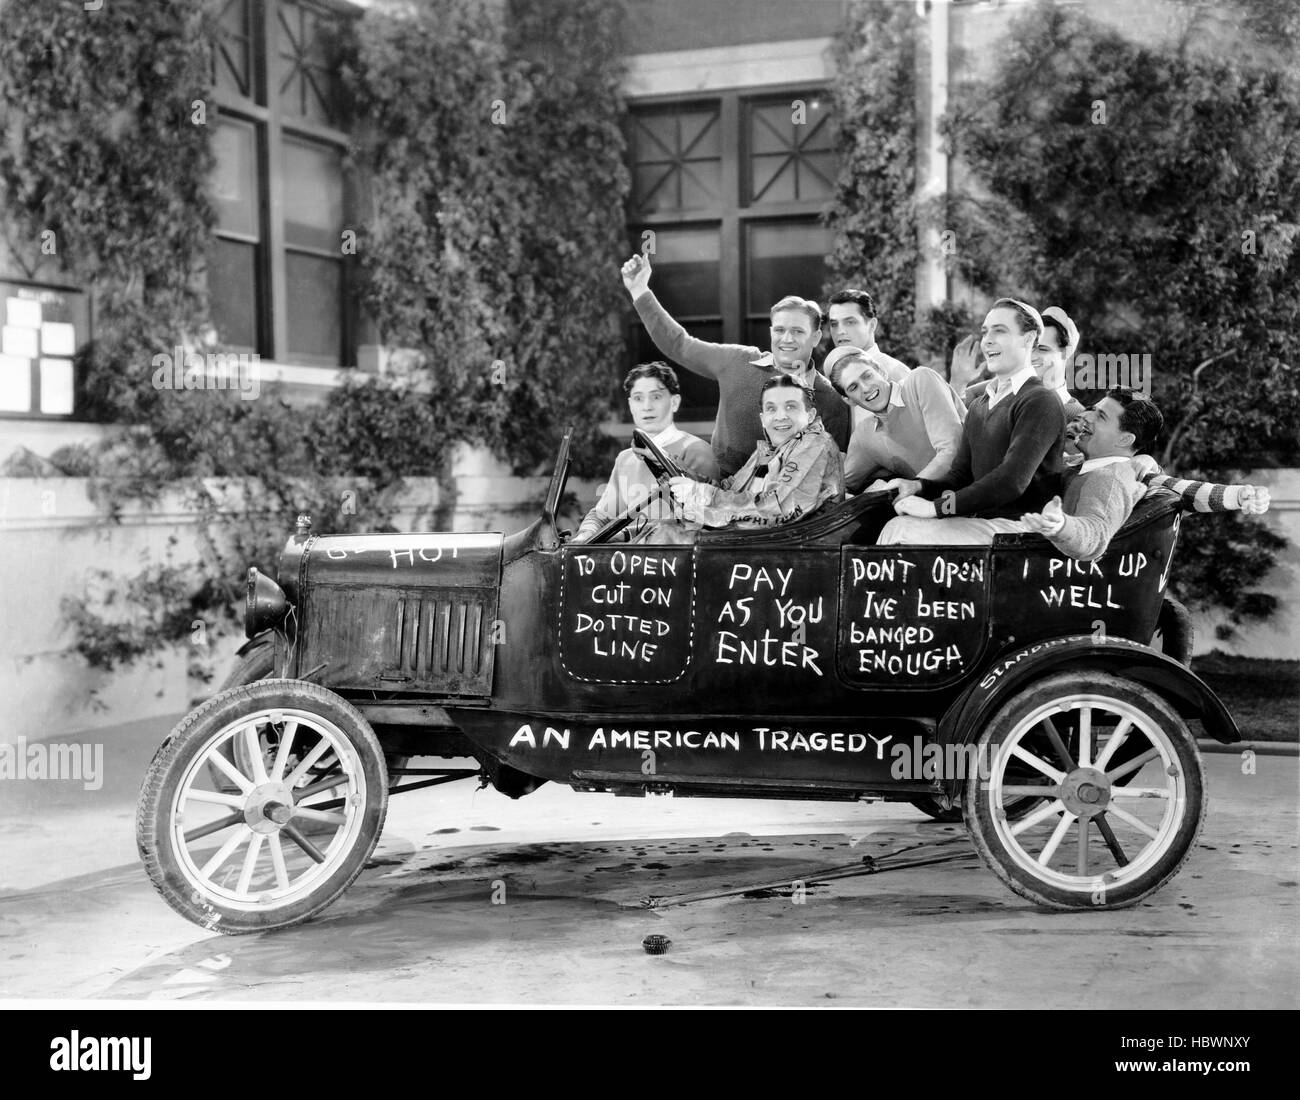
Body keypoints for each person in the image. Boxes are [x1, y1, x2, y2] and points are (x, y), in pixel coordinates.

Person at [620, 253, 849, 477]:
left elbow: (832, 471)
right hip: (712, 490)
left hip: (777, 502)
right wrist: (640, 290)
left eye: (798, 331)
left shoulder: (829, 400)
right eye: (780, 330)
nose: (787, 339)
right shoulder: (739, 360)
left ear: (816, 337)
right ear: (771, 332)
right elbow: (679, 345)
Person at [879, 298, 1065, 545]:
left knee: (900, 530)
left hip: (1022, 531)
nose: (987, 340)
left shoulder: (1041, 400)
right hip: (981, 524)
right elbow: (960, 477)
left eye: (1000, 331)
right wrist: (918, 487)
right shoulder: (979, 405)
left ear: (1029, 339)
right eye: (985, 332)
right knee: (897, 525)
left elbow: (1010, 482)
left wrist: (935, 508)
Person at [1020, 388, 1270, 560]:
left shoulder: (1110, 479)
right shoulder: (1085, 463)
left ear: (1125, 439)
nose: (1086, 416)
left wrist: (1061, 526)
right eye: (1092, 409)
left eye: (1101, 415)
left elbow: (1095, 535)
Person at [662, 374, 844, 535]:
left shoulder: (816, 445)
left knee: (666, 536)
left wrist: (703, 494)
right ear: (763, 419)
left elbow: (778, 509)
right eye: (771, 409)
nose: (780, 416)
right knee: (661, 528)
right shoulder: (767, 452)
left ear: (810, 415)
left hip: (791, 551)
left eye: (790, 407)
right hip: (756, 543)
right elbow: (730, 491)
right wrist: (681, 472)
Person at [573, 362, 719, 543]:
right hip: (628, 560)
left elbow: (695, 522)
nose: (647, 406)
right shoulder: (626, 458)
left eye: (656, 397)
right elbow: (603, 514)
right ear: (630, 405)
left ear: (674, 402)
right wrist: (586, 534)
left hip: (674, 561)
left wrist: (620, 535)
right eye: (638, 398)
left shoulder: (696, 450)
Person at [827, 349, 966, 494]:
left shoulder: (920, 380)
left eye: (867, 376)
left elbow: (952, 449)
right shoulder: (864, 435)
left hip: (978, 489)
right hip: (937, 503)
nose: (866, 388)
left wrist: (913, 486)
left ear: (881, 371)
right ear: (848, 400)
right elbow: (840, 487)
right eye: (853, 387)